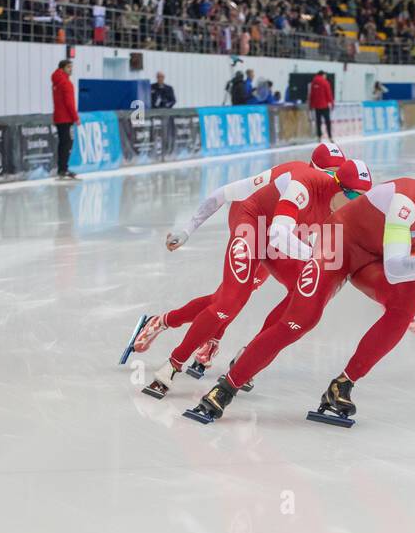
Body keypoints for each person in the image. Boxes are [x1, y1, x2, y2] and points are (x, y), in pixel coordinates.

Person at [187, 169, 415, 424]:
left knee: (409, 301)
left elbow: (399, 267)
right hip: (337, 244)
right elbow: (397, 269)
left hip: (374, 260)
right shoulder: (407, 201)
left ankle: (342, 385)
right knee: (300, 321)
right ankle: (226, 388)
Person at [128, 150, 374, 398]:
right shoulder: (296, 181)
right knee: (230, 300)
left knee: (302, 290)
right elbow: (225, 193)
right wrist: (188, 229)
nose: (355, 202)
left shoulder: (343, 205)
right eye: (328, 174)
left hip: (283, 238)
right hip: (251, 223)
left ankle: (248, 351)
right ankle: (173, 360)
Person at [52, 59, 79, 179]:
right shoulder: (66, 84)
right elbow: (69, 103)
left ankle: (62, 169)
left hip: (59, 118)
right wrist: (76, 117)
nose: (71, 69)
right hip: (66, 118)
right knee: (67, 144)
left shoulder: (56, 83)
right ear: (62, 68)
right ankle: (63, 169)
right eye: (69, 67)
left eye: (71, 67)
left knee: (63, 143)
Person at [309, 70, 334, 141]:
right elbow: (328, 93)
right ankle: (330, 136)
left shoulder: (313, 82)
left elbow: (312, 95)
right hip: (324, 105)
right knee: (327, 122)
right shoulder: (325, 82)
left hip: (317, 106)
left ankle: (319, 137)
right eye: (325, 75)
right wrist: (332, 103)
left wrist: (311, 105)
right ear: (323, 75)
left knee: (318, 122)